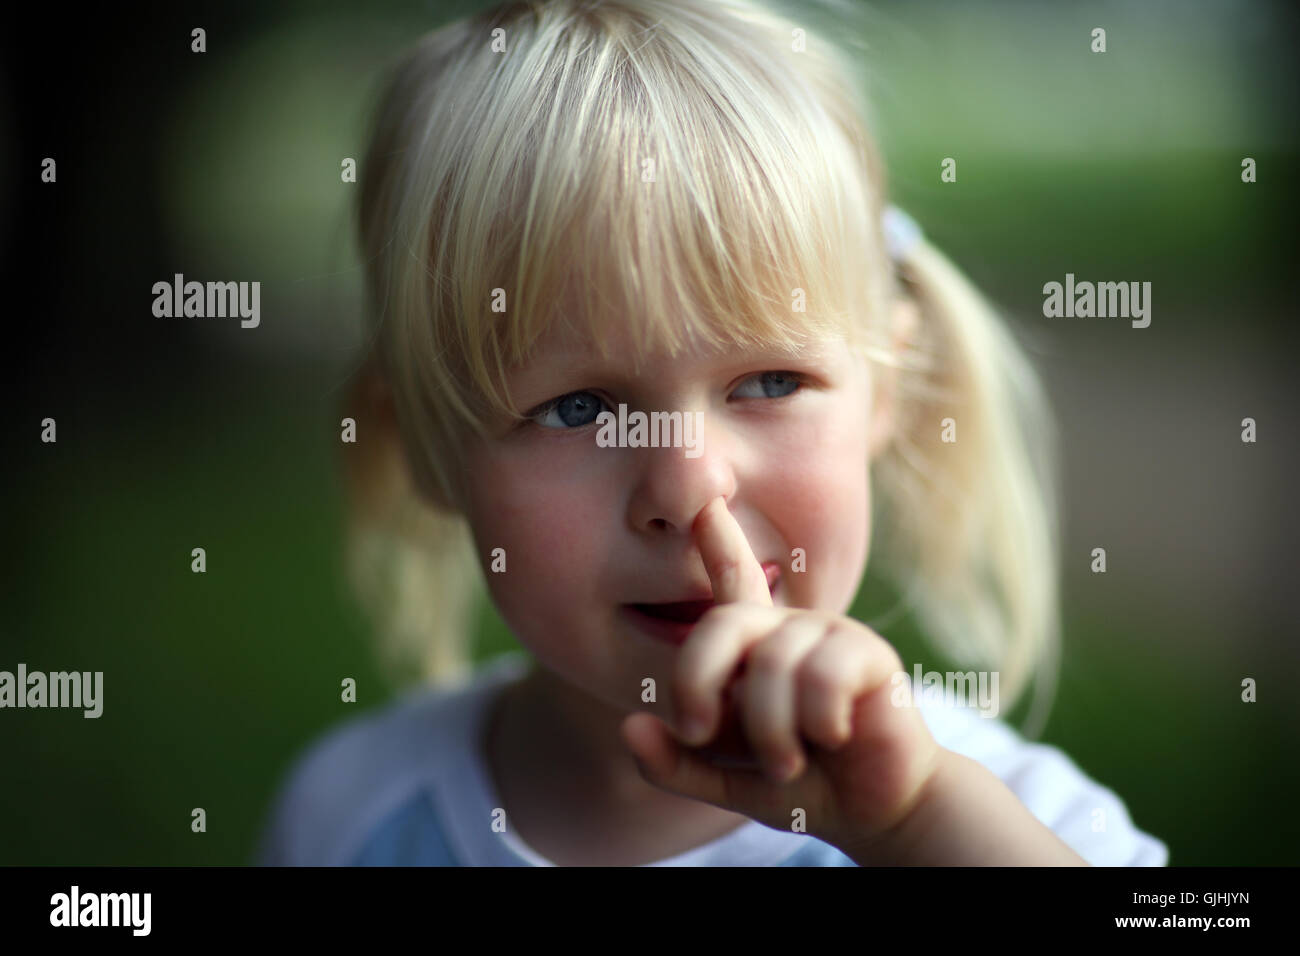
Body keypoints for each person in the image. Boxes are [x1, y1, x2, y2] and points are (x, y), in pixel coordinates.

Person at [258, 0, 1168, 866]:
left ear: (882, 387)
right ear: (424, 443)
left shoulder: (1008, 819)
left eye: (771, 381)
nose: (691, 488)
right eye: (581, 407)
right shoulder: (351, 811)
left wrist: (917, 827)